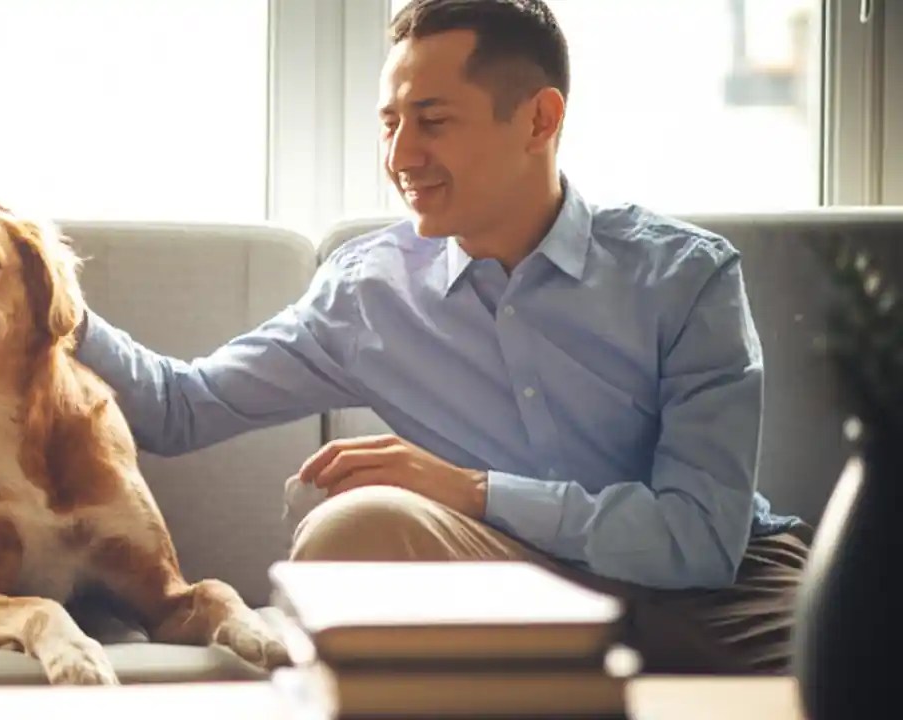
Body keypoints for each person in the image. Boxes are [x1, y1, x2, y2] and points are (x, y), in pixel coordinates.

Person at [72, 0, 810, 674]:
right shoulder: (369, 294)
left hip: (719, 586)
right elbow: (180, 406)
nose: (399, 158)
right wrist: (43, 290)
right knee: (351, 527)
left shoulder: (684, 277)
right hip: (511, 585)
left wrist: (471, 491)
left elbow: (698, 539)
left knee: (858, 672)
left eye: (433, 120)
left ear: (538, 120)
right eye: (390, 123)